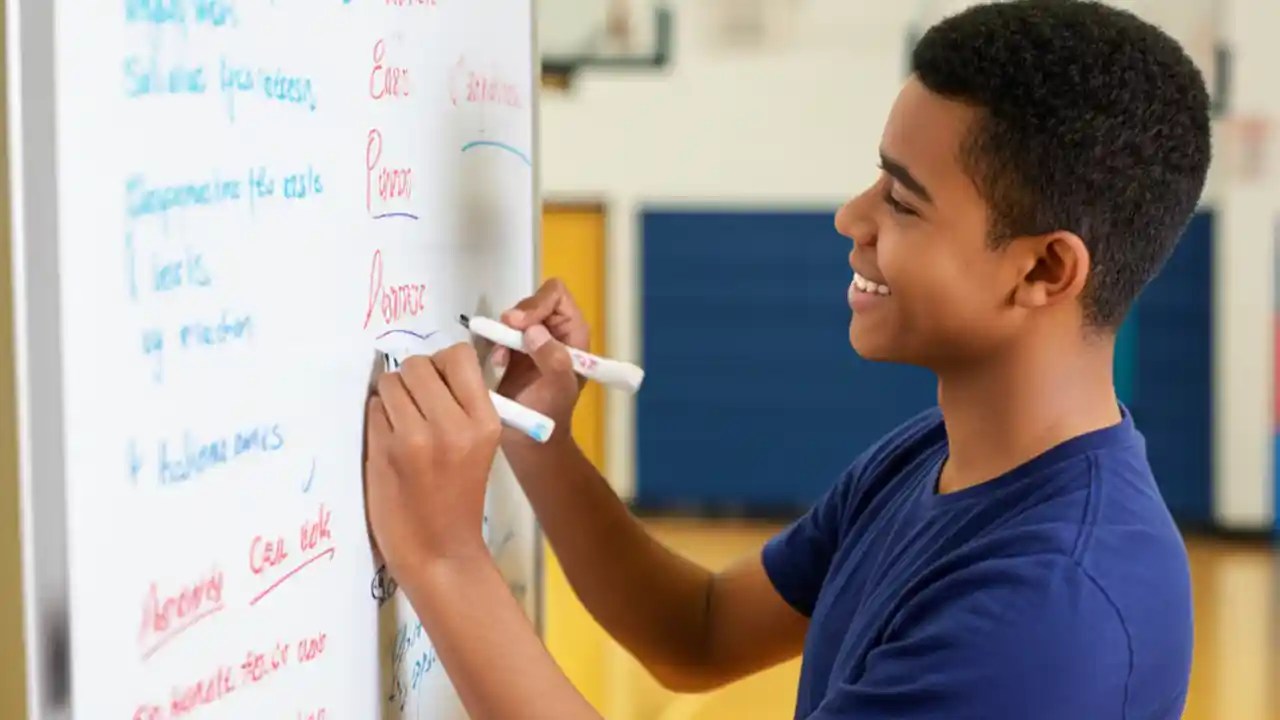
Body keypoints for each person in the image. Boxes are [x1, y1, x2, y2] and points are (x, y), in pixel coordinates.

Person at [362, 1, 1210, 717]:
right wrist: (539, 438)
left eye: (902, 202)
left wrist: (444, 557)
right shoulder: (931, 455)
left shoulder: (1050, 614)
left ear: (1044, 269)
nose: (852, 217)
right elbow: (695, 633)